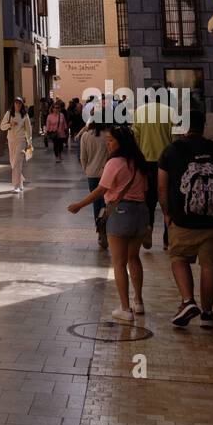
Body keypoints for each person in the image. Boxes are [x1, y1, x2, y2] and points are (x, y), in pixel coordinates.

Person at [158, 111, 213, 330]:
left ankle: (187, 300)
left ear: (183, 127)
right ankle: (208, 313)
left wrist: (166, 214)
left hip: (182, 220)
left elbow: (162, 188)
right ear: (204, 126)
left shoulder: (171, 151)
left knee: (179, 258)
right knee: (210, 266)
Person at [68, 125, 149, 322]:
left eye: (111, 140)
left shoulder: (114, 163)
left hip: (120, 212)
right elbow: (146, 189)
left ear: (121, 143)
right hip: (140, 213)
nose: (108, 143)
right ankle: (138, 301)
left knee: (119, 263)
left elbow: (100, 190)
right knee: (134, 258)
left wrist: (79, 205)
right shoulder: (139, 162)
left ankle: (125, 308)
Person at [132, 88, 178, 251]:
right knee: (169, 200)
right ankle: (167, 239)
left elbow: (135, 138)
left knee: (148, 200)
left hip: (146, 163)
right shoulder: (171, 112)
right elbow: (175, 139)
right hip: (167, 163)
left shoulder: (139, 112)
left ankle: (149, 226)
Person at [78, 116, 111, 249]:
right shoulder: (108, 136)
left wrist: (87, 170)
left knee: (95, 203)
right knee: (106, 203)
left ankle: (99, 229)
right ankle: (106, 228)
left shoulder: (86, 136)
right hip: (106, 174)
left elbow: (83, 156)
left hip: (91, 174)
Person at [0, 97, 32, 193]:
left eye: (19, 103)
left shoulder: (25, 115)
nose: (18, 105)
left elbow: (28, 130)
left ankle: (16, 185)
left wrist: (29, 142)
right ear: (13, 104)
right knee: (13, 162)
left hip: (21, 141)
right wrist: (10, 124)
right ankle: (20, 180)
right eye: (16, 103)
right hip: (11, 140)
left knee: (17, 162)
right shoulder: (9, 114)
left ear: (22, 105)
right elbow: (2, 126)